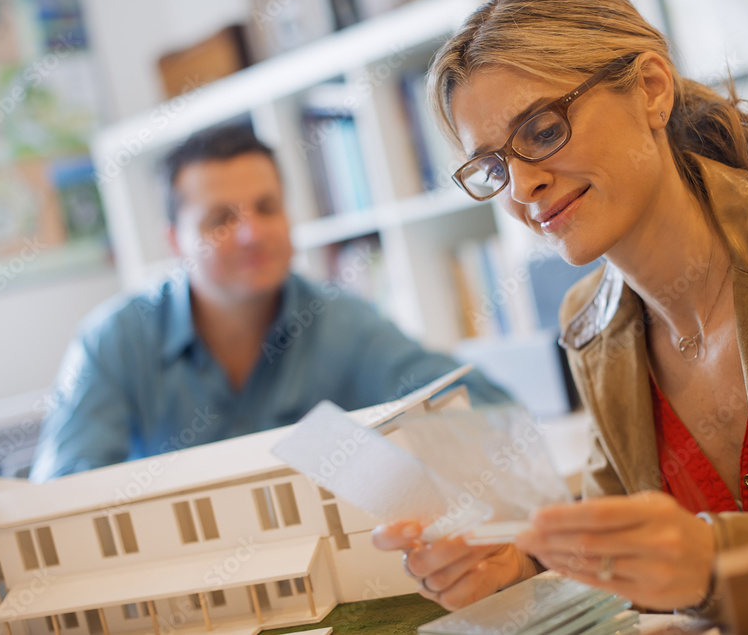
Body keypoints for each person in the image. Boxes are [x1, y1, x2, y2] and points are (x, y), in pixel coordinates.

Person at [372, 0, 748, 617]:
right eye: (493, 167)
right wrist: (519, 564)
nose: (521, 189)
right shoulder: (591, 328)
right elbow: (617, 545)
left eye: (543, 131)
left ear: (651, 90)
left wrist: (718, 564)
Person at [29, 125, 510, 481]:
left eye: (267, 207)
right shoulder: (113, 340)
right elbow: (60, 492)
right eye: (221, 218)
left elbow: (484, 412)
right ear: (175, 241)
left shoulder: (340, 322)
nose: (252, 233)